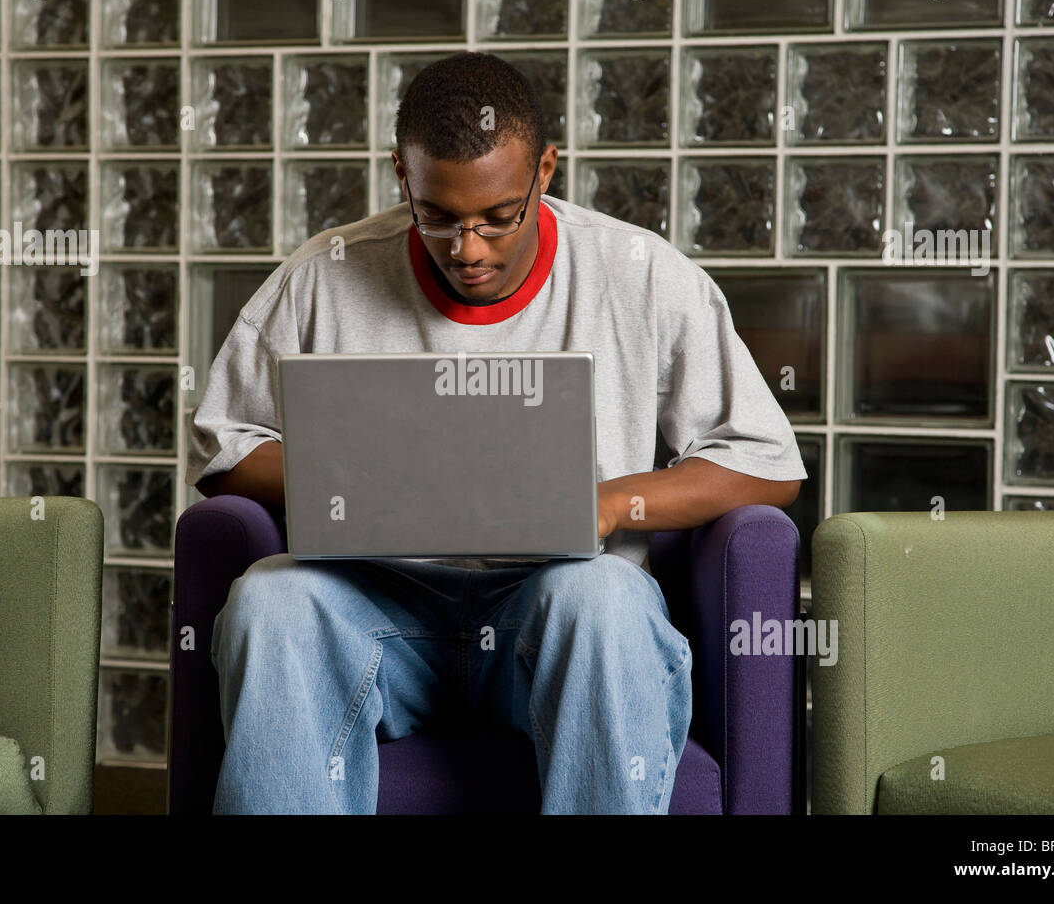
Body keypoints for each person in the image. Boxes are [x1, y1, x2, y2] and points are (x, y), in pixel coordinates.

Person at [186, 52, 806, 814]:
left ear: (546, 168)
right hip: (377, 615)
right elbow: (225, 449)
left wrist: (612, 505)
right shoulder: (326, 273)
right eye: (439, 216)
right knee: (271, 600)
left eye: (498, 217)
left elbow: (766, 463)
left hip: (551, 616)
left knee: (605, 597)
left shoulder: (640, 274)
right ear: (401, 177)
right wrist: (351, 477)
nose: (468, 249)